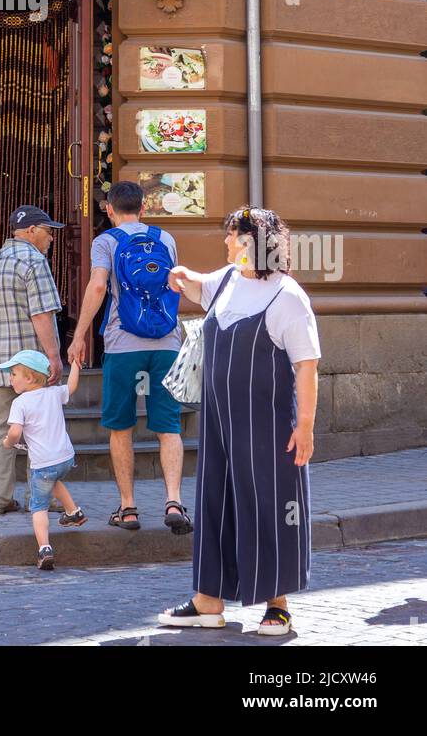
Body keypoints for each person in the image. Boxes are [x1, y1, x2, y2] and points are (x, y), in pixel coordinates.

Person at [159, 207, 320, 635]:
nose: (227, 244)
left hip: (268, 426)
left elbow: (306, 366)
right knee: (215, 503)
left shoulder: (287, 296)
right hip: (219, 423)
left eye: (234, 237)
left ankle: (278, 605)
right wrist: (182, 274)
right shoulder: (228, 280)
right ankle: (207, 601)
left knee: (268, 505)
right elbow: (199, 284)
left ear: (254, 243)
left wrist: (304, 426)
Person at [68, 181, 190, 534]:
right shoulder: (165, 240)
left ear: (109, 209)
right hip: (166, 342)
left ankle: (129, 507)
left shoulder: (105, 241)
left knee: (120, 427)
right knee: (168, 425)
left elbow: (97, 286)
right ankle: (173, 500)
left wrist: (79, 335)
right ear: (143, 208)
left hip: (124, 344)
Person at [0, 205, 64, 517]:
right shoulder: (35, 261)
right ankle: (40, 497)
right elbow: (41, 314)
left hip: (0, 363)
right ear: (31, 231)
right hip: (32, 366)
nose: (51, 238)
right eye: (48, 231)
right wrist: (54, 357)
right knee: (39, 429)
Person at [1, 349, 85, 571]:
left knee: (38, 507)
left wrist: (8, 443)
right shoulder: (53, 393)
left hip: (43, 464)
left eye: (13, 374)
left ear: (29, 378)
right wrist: (76, 364)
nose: (10, 378)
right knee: (54, 480)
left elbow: (15, 432)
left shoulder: (20, 403)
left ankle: (45, 549)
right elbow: (72, 387)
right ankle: (73, 512)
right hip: (66, 458)